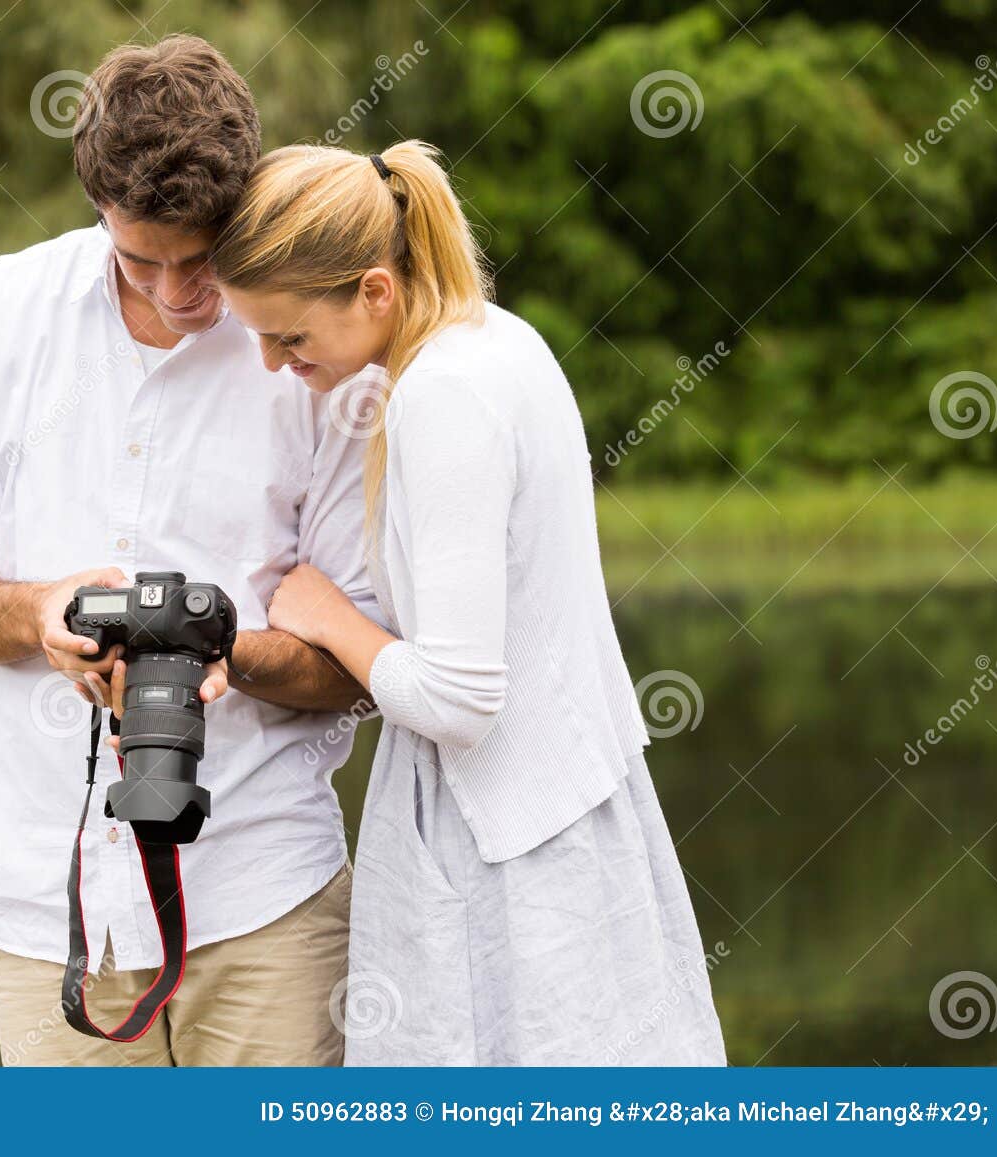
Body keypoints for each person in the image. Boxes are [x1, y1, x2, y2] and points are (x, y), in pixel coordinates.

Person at [0, 36, 380, 1066]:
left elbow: (362, 662)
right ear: (97, 207)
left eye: (200, 260)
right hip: (40, 895)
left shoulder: (314, 352)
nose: (177, 291)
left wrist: (223, 648)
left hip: (264, 893)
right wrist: (38, 613)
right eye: (140, 258)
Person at [209, 140, 728, 1065]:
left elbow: (459, 696)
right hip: (574, 810)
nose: (272, 361)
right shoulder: (500, 338)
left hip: (512, 856)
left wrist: (327, 616)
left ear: (375, 291)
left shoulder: (443, 394)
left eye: (290, 337)